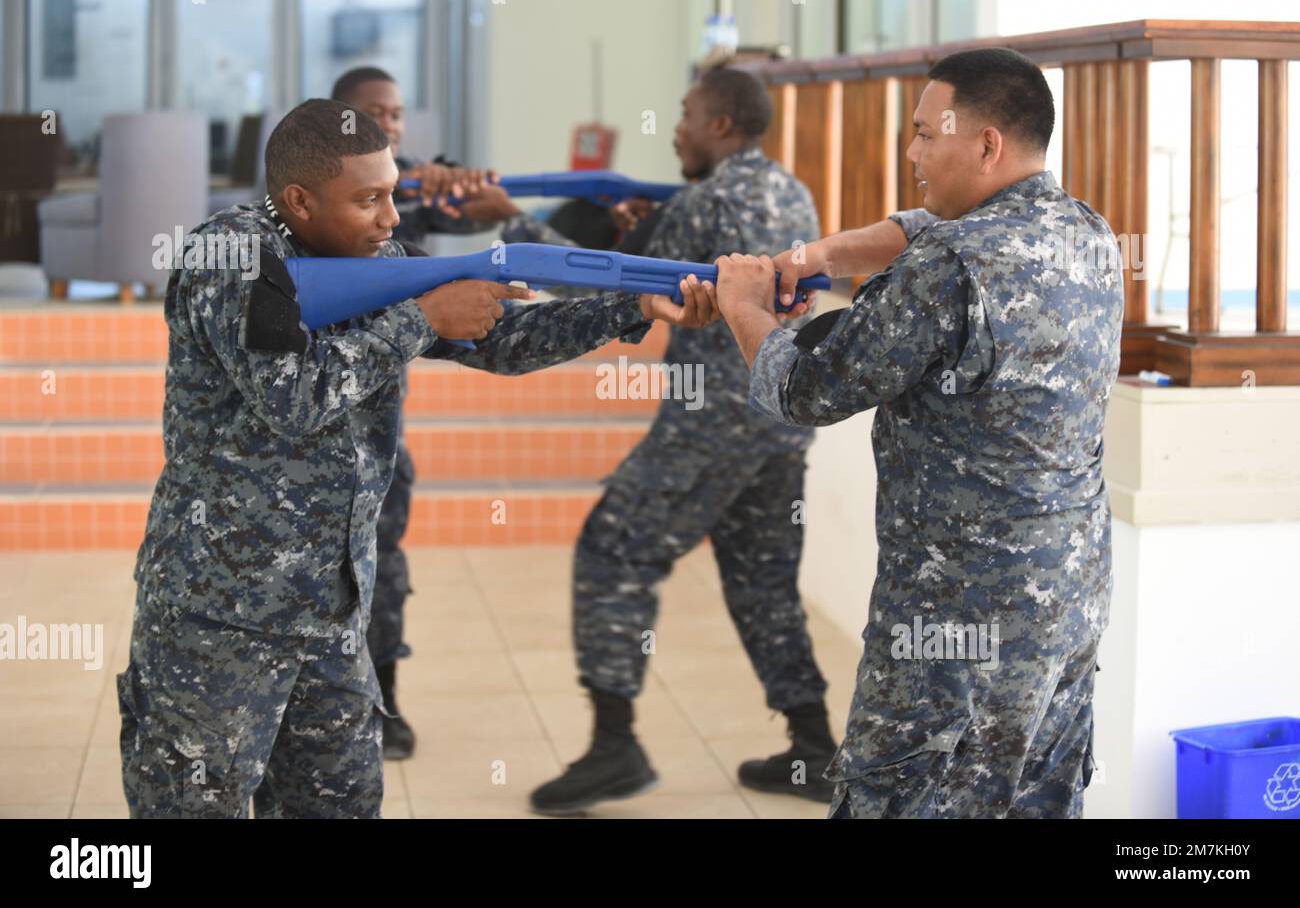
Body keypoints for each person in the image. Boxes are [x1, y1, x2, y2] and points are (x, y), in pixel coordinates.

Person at [118, 97, 720, 818]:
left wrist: (634, 307)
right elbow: (296, 397)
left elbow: (505, 340)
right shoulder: (231, 255)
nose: (391, 219)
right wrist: (422, 318)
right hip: (217, 621)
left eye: (393, 192)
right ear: (299, 200)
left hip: (330, 617)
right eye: (367, 200)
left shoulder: (377, 261)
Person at [714, 47, 1121, 818]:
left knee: (895, 799)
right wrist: (824, 254)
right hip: (1068, 604)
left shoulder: (949, 267)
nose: (911, 153)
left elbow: (807, 389)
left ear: (986, 144)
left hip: (953, 623)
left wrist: (743, 304)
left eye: (926, 133)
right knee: (1030, 800)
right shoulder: (1089, 235)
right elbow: (927, 226)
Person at [459, 67, 838, 815]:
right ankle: (817, 746)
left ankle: (613, 745)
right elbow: (649, 252)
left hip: (713, 422)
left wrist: (508, 215)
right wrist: (643, 225)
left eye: (687, 114)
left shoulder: (703, 202)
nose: (676, 128)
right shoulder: (791, 191)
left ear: (721, 126)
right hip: (780, 416)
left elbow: (596, 285)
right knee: (763, 580)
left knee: (613, 545)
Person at [328, 65, 495, 759]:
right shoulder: (315, 198)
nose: (391, 125)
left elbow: (481, 212)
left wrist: (492, 202)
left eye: (397, 114)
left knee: (383, 567)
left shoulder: (418, 184)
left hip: (376, 440)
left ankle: (385, 700)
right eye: (375, 113)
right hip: (317, 429)